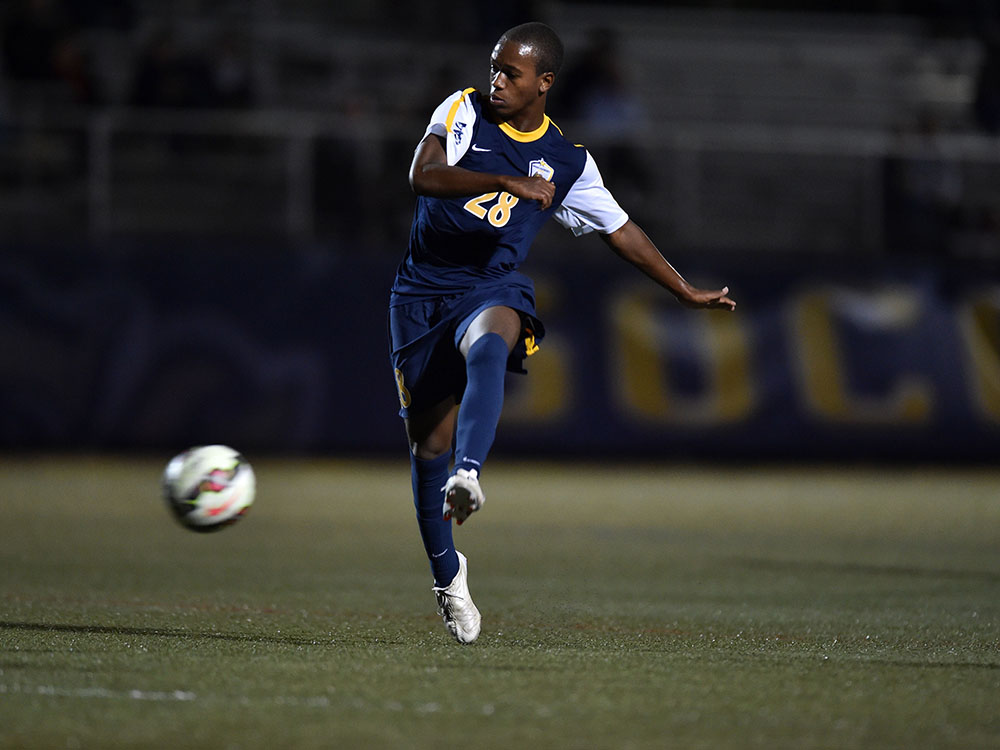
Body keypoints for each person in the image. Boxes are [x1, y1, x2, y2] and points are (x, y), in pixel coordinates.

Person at [388, 22, 735, 644]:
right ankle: (448, 576)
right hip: (420, 295)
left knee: (491, 341)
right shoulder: (462, 110)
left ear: (544, 82)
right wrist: (506, 181)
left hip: (491, 285)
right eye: (494, 67)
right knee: (427, 446)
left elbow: (620, 230)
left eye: (511, 73)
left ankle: (471, 474)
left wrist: (682, 290)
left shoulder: (569, 161)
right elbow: (424, 175)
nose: (496, 80)